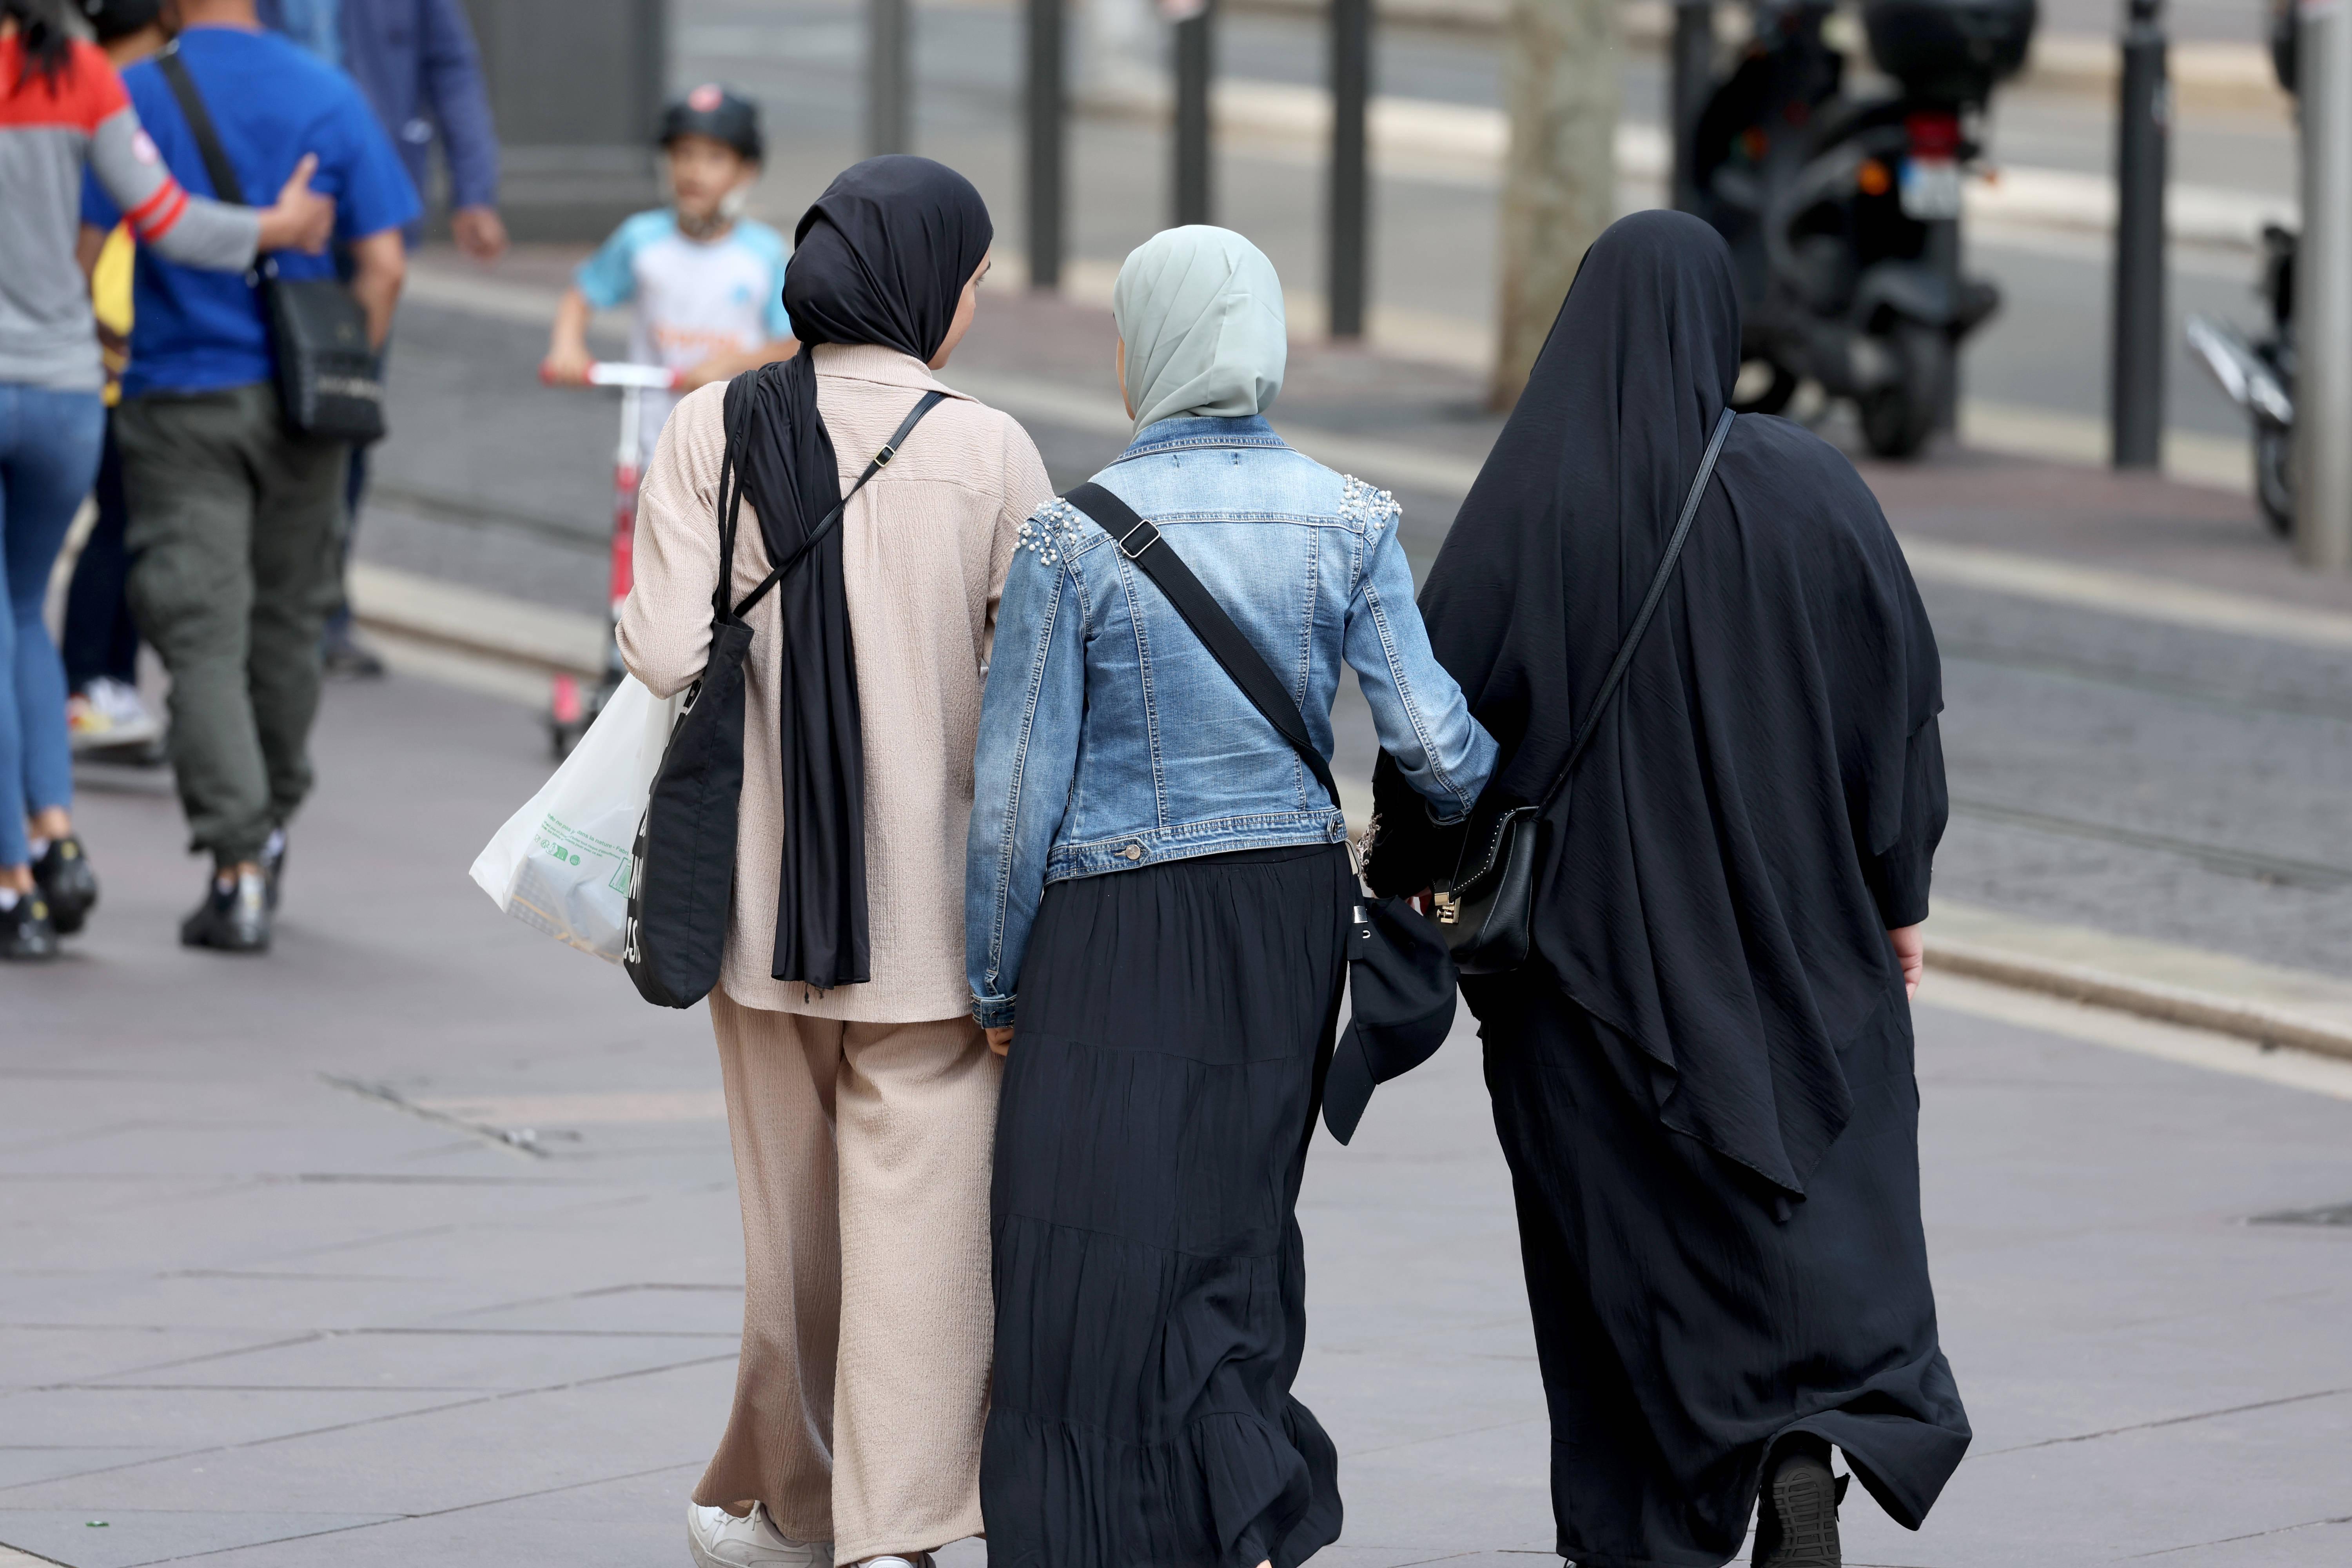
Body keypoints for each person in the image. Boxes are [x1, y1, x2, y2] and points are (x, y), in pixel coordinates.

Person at [1365, 210, 1965, 1568]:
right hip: (1808, 952)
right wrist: (1900, 895)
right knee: (1809, 1220)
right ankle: (1802, 1438)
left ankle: (1646, 1529)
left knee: (1615, 1272)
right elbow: (1900, 715)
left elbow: (1430, 733)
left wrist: (1408, 882)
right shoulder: (1821, 492)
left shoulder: (1531, 505)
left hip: (1590, 984)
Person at [966, 226, 1498, 1568]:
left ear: (1146, 344)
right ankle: (1235, 1496)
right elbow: (1437, 750)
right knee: (1231, 1223)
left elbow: (1017, 794)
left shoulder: (1069, 535)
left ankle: (1095, 1529)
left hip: (1113, 925)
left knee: (1081, 1239)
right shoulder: (1352, 517)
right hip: (1283, 920)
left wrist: (997, 981)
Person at [617, 155, 1051, 1568]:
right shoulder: (988, 448)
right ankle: (902, 1527)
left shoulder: (712, 428)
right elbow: (1033, 690)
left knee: (789, 1230)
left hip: (755, 906)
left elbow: (669, 654)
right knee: (924, 1237)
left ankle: (798, 1509)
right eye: (973, 277)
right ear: (929, 283)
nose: (974, 303)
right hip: (933, 916)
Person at [80, 0, 416, 953]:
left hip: (178, 396)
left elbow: (88, 245)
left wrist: (98, 346)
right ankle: (269, 817)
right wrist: (340, 374)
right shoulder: (331, 92)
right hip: (308, 409)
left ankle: (236, 860)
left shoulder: (132, 93)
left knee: (200, 627)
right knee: (290, 617)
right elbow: (383, 266)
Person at [0, 0, 332, 961]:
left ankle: (16, 880)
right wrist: (281, 225)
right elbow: (164, 219)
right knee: (24, 610)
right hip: (65, 392)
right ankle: (56, 835)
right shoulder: (82, 74)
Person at [258, 0, 508, 678]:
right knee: (249, 401)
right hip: (261, 198)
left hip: (369, 211)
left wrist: (475, 189)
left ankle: (322, 604)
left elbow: (450, 64)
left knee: (342, 406)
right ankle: (273, 599)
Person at [544, 84, 797, 463]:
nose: (695, 171)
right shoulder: (641, 239)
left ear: (746, 171)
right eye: (684, 154)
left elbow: (792, 342)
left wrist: (728, 365)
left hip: (736, 438)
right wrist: (568, 347)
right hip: (653, 437)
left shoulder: (764, 254)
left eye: (715, 158)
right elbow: (581, 295)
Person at [62, 0, 177, 764]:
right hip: (113, 355)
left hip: (102, 352)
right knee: (119, 529)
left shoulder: (92, 85)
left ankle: (107, 687)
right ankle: (87, 687)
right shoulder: (119, 94)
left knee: (122, 526)